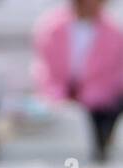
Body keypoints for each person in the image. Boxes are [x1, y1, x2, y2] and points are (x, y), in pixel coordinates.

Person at [32, 0, 123, 152]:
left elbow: (115, 77)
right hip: (57, 104)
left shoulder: (115, 33)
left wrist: (87, 99)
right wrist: (61, 101)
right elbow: (45, 72)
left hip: (100, 108)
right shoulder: (51, 28)